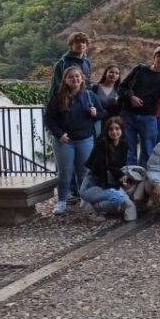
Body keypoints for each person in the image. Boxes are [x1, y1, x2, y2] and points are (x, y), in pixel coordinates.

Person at [44, 66, 104, 215]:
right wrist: (59, 134)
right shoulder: (58, 97)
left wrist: (95, 113)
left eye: (77, 76)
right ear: (65, 80)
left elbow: (102, 113)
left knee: (84, 172)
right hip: (64, 141)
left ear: (82, 78)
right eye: (71, 77)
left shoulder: (89, 95)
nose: (74, 79)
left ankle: (84, 199)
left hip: (85, 139)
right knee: (65, 173)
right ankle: (62, 202)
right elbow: (49, 118)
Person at [118, 46, 160, 166]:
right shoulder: (140, 69)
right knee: (128, 150)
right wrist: (131, 97)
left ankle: (147, 178)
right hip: (128, 115)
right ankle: (130, 177)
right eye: (159, 55)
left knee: (149, 150)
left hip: (148, 118)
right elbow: (122, 87)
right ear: (154, 57)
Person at [80, 116, 137, 222]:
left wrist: (122, 177)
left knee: (127, 202)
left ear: (122, 130)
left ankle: (98, 204)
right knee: (118, 198)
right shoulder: (101, 144)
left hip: (110, 182)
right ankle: (93, 209)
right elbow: (98, 168)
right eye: (111, 129)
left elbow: (119, 168)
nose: (114, 132)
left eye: (117, 128)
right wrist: (119, 175)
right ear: (107, 131)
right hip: (93, 185)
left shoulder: (124, 145)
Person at [48, 32, 92, 99]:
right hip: (67, 101)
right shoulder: (63, 63)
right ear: (71, 45)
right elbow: (56, 85)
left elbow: (88, 83)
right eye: (77, 42)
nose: (80, 44)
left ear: (86, 45)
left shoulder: (87, 62)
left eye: (83, 42)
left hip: (84, 101)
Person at [90, 64, 121, 136]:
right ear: (106, 73)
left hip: (112, 122)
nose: (113, 75)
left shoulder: (119, 90)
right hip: (96, 120)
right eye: (111, 72)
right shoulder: (95, 87)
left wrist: (117, 103)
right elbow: (89, 103)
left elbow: (120, 111)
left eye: (117, 73)